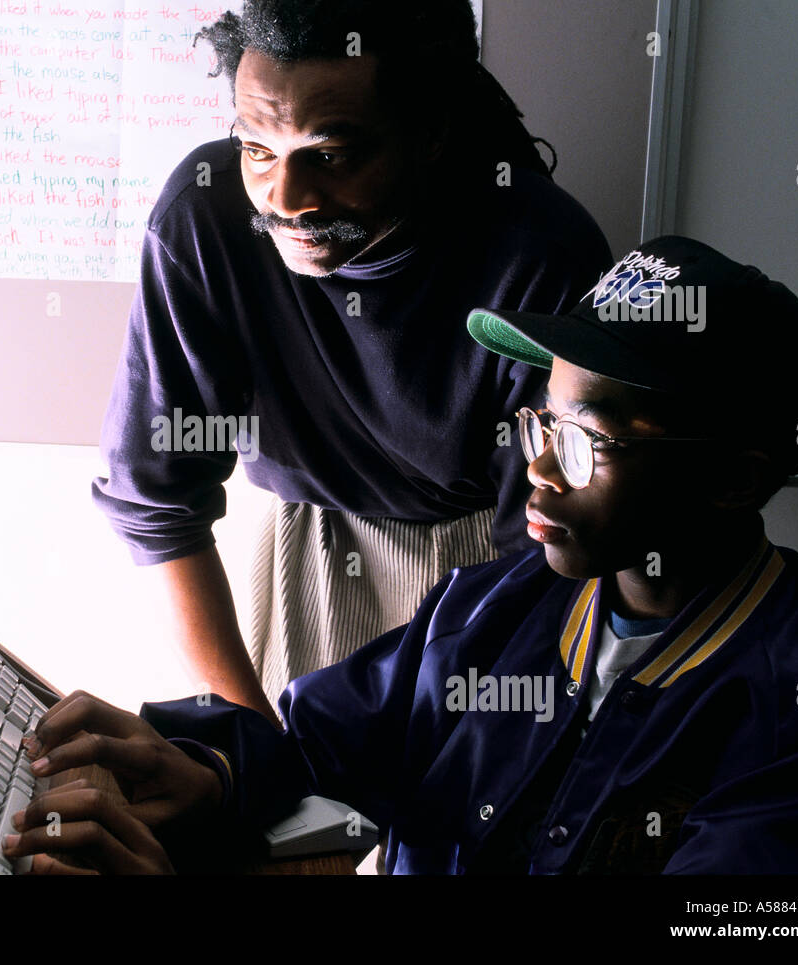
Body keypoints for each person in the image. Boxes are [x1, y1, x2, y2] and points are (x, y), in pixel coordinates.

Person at [7, 236, 798, 873]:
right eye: (541, 420)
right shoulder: (495, 609)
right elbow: (319, 739)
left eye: (589, 439)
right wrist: (201, 769)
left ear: (735, 481)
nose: (539, 466)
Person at [92, 0, 613, 725]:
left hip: (488, 573)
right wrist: (257, 742)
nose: (286, 199)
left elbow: (542, 548)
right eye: (257, 149)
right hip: (304, 558)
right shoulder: (204, 217)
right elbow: (156, 505)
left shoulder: (540, 253)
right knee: (304, 825)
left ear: (430, 133)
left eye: (330, 156)